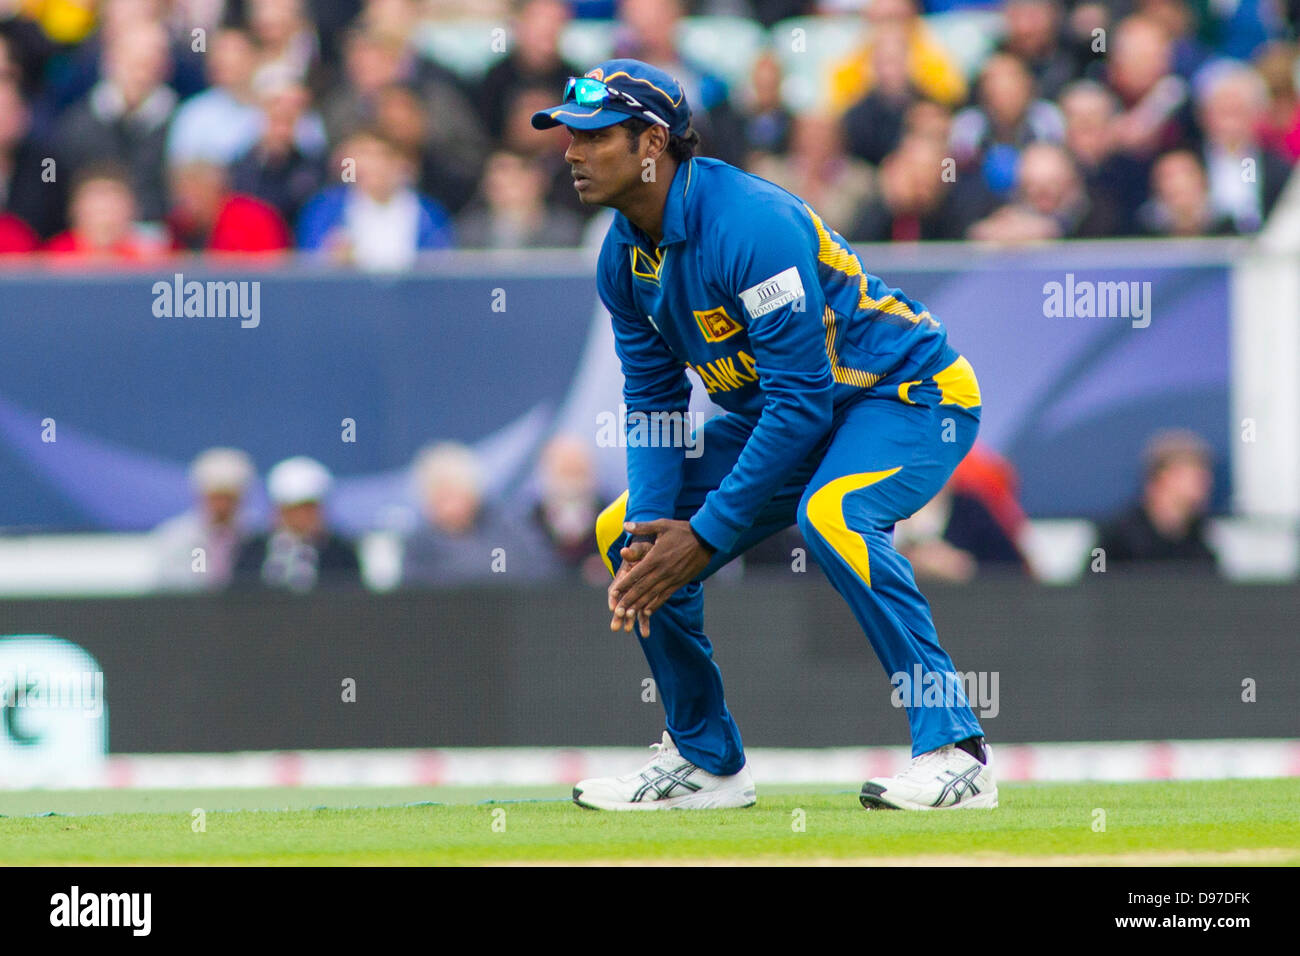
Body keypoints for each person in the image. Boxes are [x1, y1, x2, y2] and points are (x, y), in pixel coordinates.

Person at [533, 60, 996, 812]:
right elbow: (653, 398)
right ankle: (707, 762)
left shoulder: (750, 224)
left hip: (907, 395)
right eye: (569, 136)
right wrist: (659, 529)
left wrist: (705, 534)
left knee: (834, 516)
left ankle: (958, 753)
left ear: (653, 142)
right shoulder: (621, 256)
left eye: (594, 135)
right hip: (789, 416)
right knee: (628, 530)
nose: (573, 152)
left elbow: (803, 401)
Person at [232, 456, 362, 591]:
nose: (301, 516)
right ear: (279, 510)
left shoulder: (340, 553)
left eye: (308, 508)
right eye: (292, 509)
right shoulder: (253, 550)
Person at [1094, 430, 1218, 569]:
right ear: (1163, 478)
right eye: (1195, 477)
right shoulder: (1117, 537)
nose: (1206, 484)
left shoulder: (1200, 538)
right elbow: (1092, 584)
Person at [153, 447, 256, 592]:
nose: (222, 505)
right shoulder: (179, 536)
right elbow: (175, 583)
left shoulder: (253, 536)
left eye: (228, 498)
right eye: (216, 498)